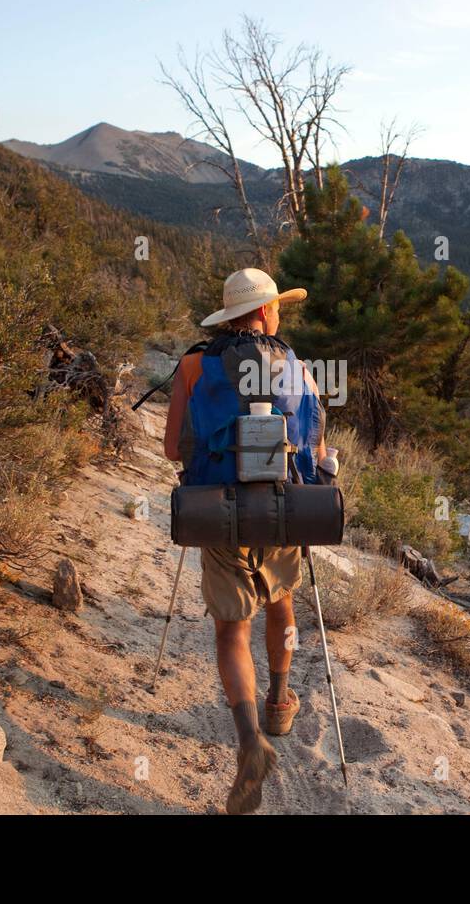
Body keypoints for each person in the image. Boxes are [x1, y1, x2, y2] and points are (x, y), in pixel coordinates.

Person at [163, 267, 329, 814]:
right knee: (281, 604)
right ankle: (281, 702)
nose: (279, 314)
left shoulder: (192, 364)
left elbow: (171, 449)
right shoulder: (296, 367)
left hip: (219, 514)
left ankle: (249, 741)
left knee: (233, 631)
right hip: (281, 512)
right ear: (262, 314)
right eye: (276, 306)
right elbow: (315, 448)